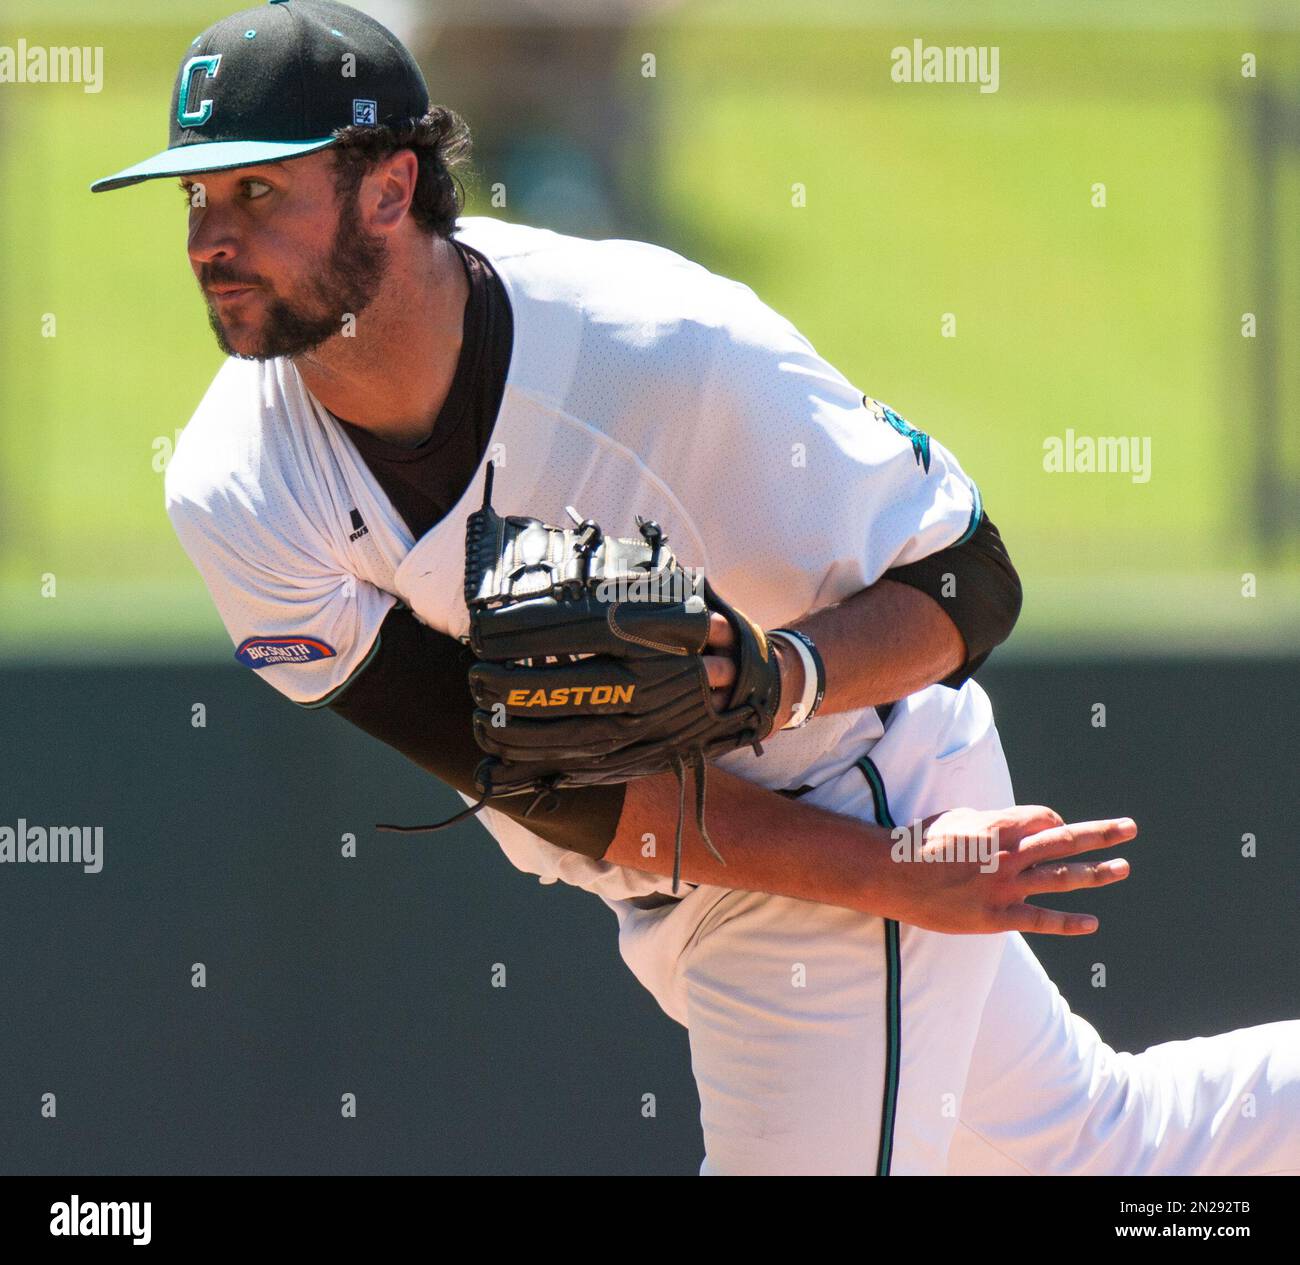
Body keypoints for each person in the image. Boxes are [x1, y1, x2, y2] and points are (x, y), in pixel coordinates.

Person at [93, 0, 1300, 1175]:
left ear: (391, 188)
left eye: (260, 190)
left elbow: (968, 579)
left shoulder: (653, 343)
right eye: (196, 195)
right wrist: (873, 871)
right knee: (1113, 1150)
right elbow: (541, 782)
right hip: (707, 869)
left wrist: (788, 696)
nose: (211, 236)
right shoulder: (236, 489)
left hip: (860, 789)